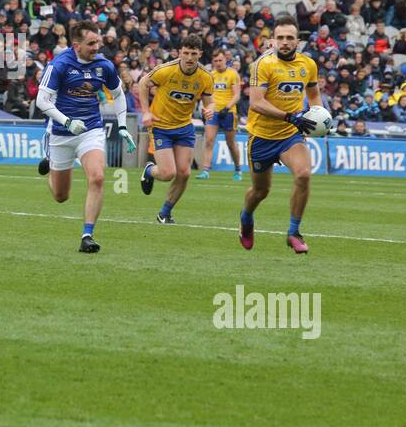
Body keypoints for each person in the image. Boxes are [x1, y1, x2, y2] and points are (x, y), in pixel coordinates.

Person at [35, 20, 136, 253]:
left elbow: (118, 95)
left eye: (98, 42)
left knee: (98, 177)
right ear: (76, 44)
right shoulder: (59, 65)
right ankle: (52, 166)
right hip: (61, 133)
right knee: (61, 196)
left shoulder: (104, 65)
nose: (96, 47)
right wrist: (68, 122)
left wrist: (122, 126)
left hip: (91, 129)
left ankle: (87, 235)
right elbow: (42, 101)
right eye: (91, 43)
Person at [239, 16, 320, 254]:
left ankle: (293, 232)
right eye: (280, 38)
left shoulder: (308, 65)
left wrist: (318, 116)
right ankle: (246, 218)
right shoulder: (262, 64)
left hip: (290, 135)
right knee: (261, 192)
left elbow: (314, 95)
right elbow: (255, 103)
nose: (285, 42)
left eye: (290, 38)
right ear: (273, 40)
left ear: (298, 41)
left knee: (304, 175)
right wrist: (289, 116)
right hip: (262, 136)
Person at [136, 34, 215, 224]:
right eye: (185, 53)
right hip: (161, 126)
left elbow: (209, 101)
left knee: (185, 173)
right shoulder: (165, 70)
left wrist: (209, 108)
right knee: (167, 173)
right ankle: (149, 171)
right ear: (180, 52)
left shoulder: (205, 77)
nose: (189, 58)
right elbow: (142, 83)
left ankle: (165, 213)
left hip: (184, 126)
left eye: (193, 54)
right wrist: (146, 112)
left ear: (200, 54)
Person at [198, 48, 243, 181]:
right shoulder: (211, 75)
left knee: (230, 142)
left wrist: (227, 108)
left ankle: (238, 169)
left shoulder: (233, 74)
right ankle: (205, 170)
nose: (218, 63)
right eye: (216, 60)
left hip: (228, 112)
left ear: (226, 60)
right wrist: (206, 108)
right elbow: (206, 94)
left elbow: (237, 95)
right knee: (209, 140)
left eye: (220, 60)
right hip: (214, 111)